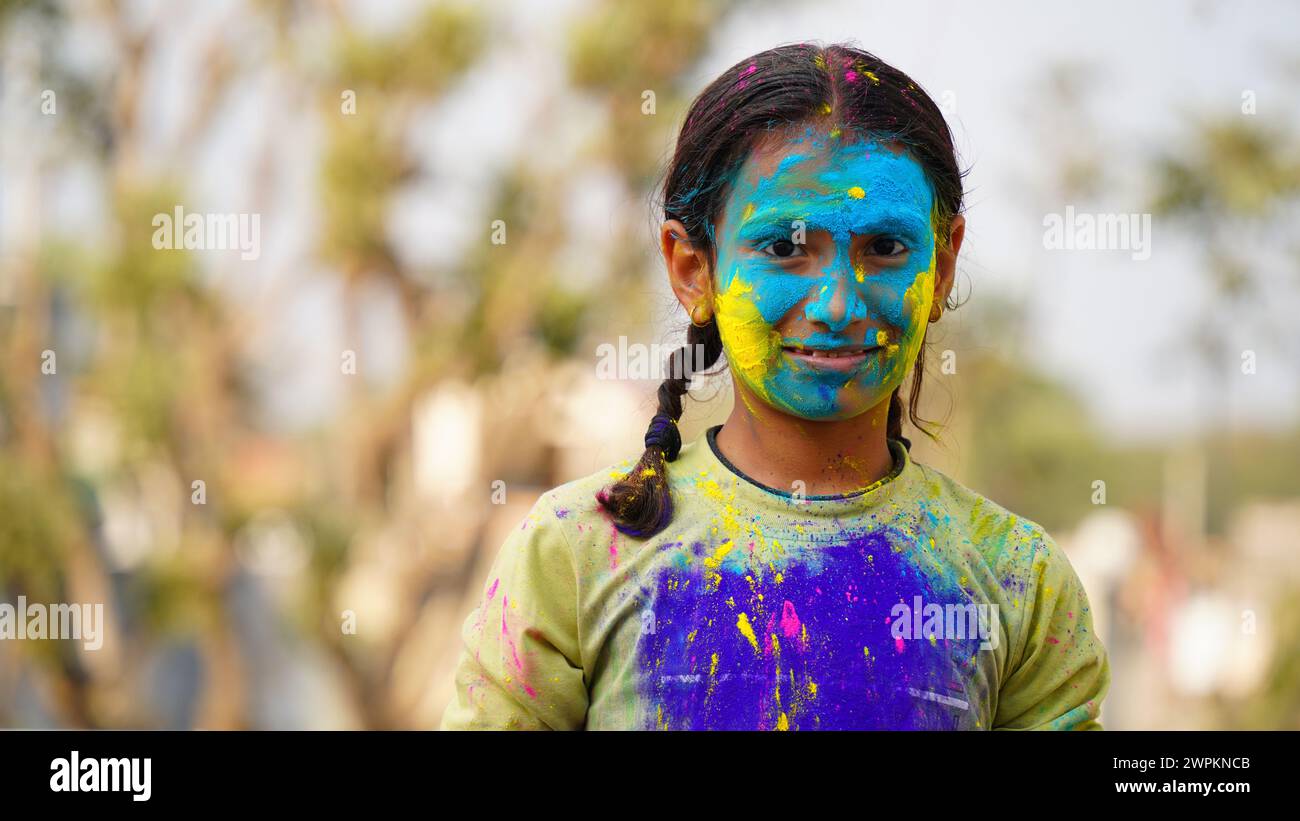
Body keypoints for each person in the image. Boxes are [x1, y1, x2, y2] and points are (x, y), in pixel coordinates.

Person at [439, 42, 1110, 730]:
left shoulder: (1016, 582)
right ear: (692, 268)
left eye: (885, 248)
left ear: (940, 268)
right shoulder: (576, 555)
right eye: (786, 249)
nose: (838, 303)